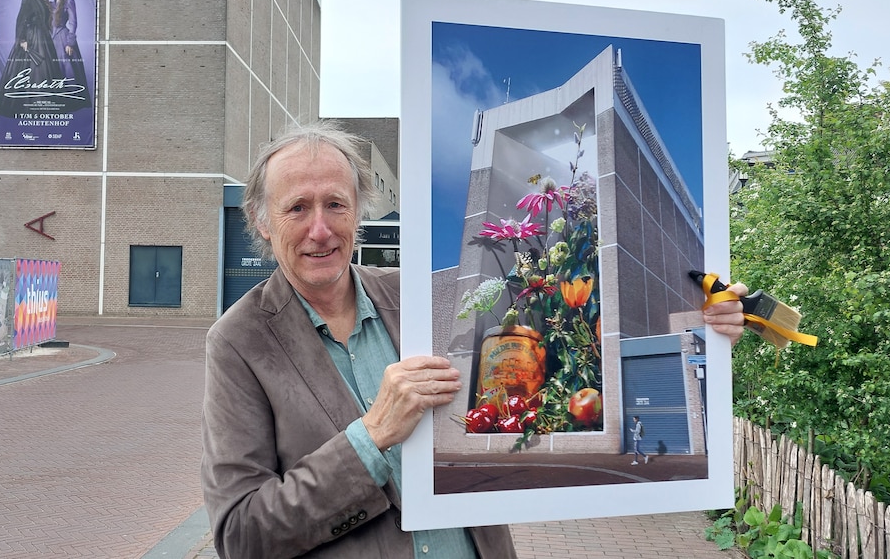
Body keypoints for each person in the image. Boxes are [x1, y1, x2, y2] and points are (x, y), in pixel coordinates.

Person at [200, 122, 749, 558]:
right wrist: (370, 438)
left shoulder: (412, 301)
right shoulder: (239, 343)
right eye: (297, 207)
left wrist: (709, 327)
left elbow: (546, 353)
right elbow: (243, 535)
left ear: (359, 212)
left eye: (335, 204)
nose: (320, 229)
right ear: (263, 221)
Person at [0, 0, 64, 118]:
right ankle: (33, 105)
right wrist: (22, 40)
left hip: (43, 37)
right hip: (32, 37)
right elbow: (21, 20)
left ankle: (46, 104)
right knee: (35, 69)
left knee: (45, 69)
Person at [49, 0, 90, 111]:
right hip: (51, 39)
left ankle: (72, 103)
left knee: (67, 69)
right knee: (53, 69)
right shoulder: (50, 4)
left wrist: (70, 43)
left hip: (64, 38)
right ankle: (57, 101)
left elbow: (73, 23)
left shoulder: (69, 2)